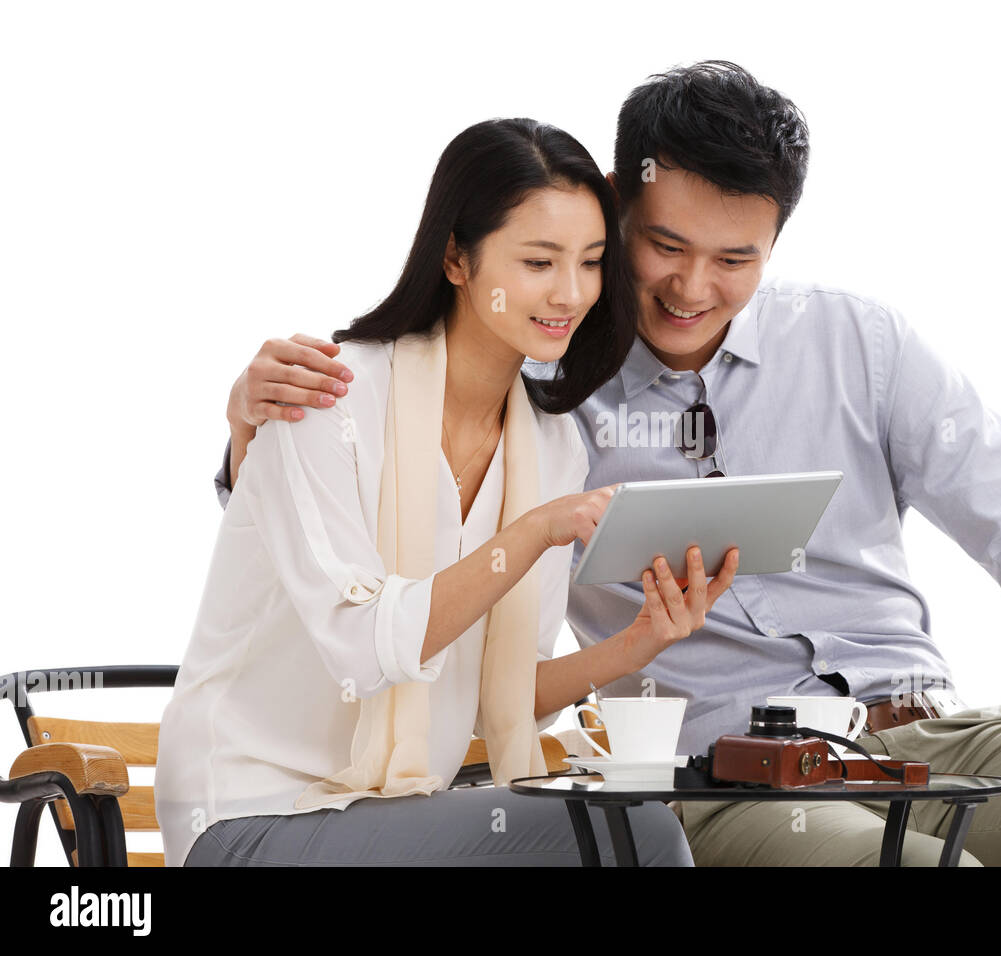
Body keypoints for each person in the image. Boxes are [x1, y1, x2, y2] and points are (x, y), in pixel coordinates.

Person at [213, 62, 1001, 867]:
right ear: (615, 211)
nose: (690, 287)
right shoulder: (542, 392)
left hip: (929, 733)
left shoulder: (862, 345)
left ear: (777, 241)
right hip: (723, 776)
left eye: (735, 258)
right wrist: (250, 427)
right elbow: (384, 508)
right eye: (664, 244)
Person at [158, 117, 739, 867]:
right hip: (246, 815)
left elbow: (505, 689)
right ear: (456, 258)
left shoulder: (550, 445)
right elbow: (363, 647)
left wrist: (642, 641)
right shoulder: (327, 400)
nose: (571, 292)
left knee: (629, 822)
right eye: (539, 261)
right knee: (636, 835)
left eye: (591, 262)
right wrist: (532, 532)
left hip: (397, 817)